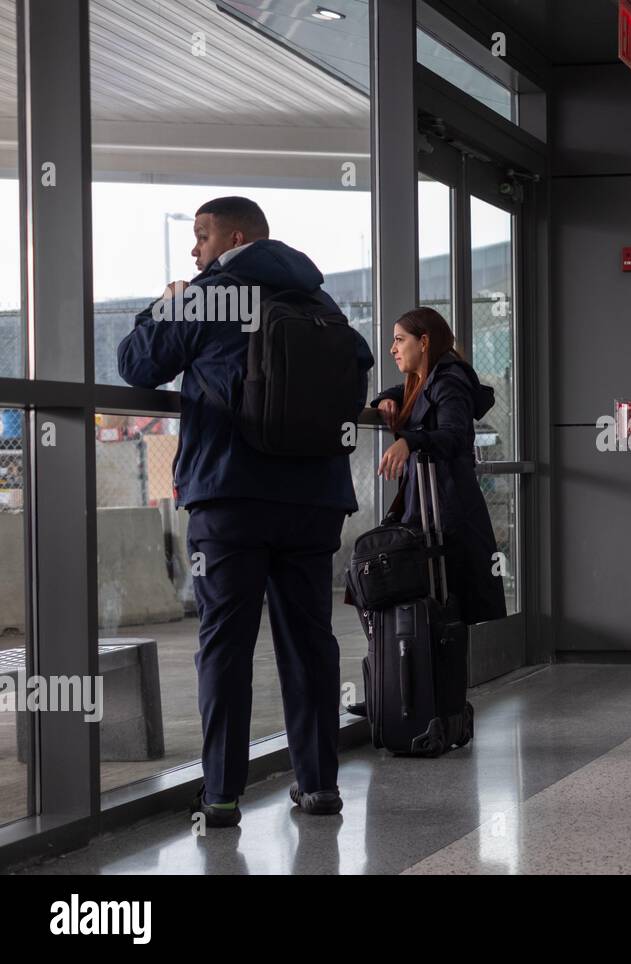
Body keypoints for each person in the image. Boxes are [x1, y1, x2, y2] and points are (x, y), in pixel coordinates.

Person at [118, 196, 374, 826]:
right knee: (310, 643)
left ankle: (223, 794)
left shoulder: (212, 293)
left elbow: (137, 363)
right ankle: (318, 786)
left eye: (201, 237)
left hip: (230, 495)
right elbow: (359, 365)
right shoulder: (321, 301)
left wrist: (168, 301)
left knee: (225, 647)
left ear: (233, 237)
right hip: (315, 500)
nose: (195, 251)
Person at [372, 307, 506, 625]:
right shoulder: (427, 380)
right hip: (436, 505)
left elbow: (453, 435)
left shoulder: (450, 381)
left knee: (457, 596)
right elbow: (412, 395)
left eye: (399, 340)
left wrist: (410, 441)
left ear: (424, 342)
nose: (392, 349)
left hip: (448, 508)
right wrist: (383, 400)